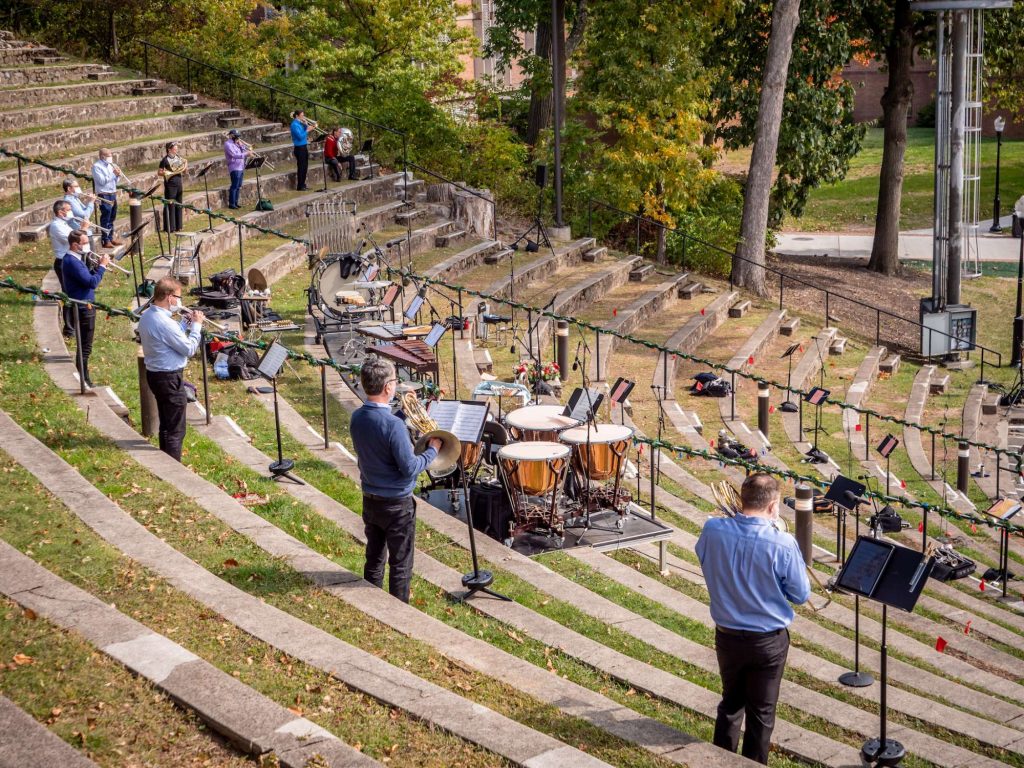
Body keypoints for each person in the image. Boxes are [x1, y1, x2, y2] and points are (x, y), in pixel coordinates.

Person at [695, 473, 810, 765]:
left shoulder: (712, 530)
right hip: (767, 642)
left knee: (730, 703)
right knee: (761, 713)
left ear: (742, 499)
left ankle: (720, 760)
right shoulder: (783, 543)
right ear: (773, 506)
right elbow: (799, 593)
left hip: (727, 635)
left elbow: (705, 557)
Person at [349, 355, 441, 603]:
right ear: (388, 387)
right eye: (394, 382)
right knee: (401, 562)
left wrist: (401, 413)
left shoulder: (357, 417)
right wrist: (433, 448)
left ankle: (372, 603)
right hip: (397, 506)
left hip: (371, 500)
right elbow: (410, 468)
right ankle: (400, 611)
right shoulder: (393, 426)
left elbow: (381, 432)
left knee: (375, 556)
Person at [137, 277, 205, 461]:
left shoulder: (148, 316)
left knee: (166, 424)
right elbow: (189, 349)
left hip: (156, 375)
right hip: (169, 378)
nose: (179, 301)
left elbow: (167, 339)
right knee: (176, 428)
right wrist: (197, 326)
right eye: (178, 297)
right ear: (169, 297)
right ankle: (174, 466)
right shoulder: (165, 323)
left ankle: (165, 460)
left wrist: (184, 325)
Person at [61, 229, 110, 388]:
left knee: (85, 345)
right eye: (84, 243)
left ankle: (84, 377)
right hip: (83, 306)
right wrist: (102, 267)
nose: (87, 245)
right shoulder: (72, 261)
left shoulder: (76, 259)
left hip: (84, 303)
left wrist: (96, 268)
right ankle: (84, 379)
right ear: (75, 245)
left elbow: (86, 278)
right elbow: (92, 283)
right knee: (85, 346)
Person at [48, 199, 85, 337]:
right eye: (68, 209)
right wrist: (84, 229)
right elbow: (73, 241)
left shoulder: (65, 224)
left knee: (75, 293)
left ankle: (76, 325)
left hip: (71, 260)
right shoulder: (56, 226)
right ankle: (69, 329)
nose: (71, 212)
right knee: (68, 295)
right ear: (60, 212)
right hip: (63, 262)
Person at [91, 148, 123, 248]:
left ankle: (110, 237)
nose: (110, 157)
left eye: (111, 155)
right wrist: (113, 174)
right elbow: (102, 181)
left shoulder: (111, 165)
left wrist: (117, 175)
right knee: (106, 217)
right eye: (108, 155)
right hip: (103, 194)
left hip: (112, 193)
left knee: (112, 217)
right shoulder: (96, 167)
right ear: (102, 156)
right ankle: (105, 240)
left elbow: (115, 181)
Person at [158, 140, 186, 233]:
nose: (176, 150)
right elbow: (159, 172)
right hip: (170, 185)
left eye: (176, 149)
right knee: (171, 205)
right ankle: (171, 227)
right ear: (169, 150)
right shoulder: (165, 160)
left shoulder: (178, 158)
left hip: (179, 183)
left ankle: (179, 226)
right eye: (175, 149)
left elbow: (182, 170)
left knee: (179, 204)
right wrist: (167, 173)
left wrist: (185, 168)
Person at [224, 129, 251, 209]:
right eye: (237, 137)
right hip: (234, 167)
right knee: (234, 185)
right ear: (232, 136)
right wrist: (247, 154)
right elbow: (234, 155)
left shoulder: (237, 143)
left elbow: (242, 151)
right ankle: (231, 204)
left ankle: (236, 202)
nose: (238, 139)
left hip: (241, 167)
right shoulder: (228, 144)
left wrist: (241, 146)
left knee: (239, 186)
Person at [290, 109, 309, 190]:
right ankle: (300, 186)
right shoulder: (294, 124)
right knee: (301, 167)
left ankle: (303, 184)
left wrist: (305, 125)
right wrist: (307, 130)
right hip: (299, 148)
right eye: (302, 115)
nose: (303, 117)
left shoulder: (300, 123)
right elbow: (300, 136)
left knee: (305, 166)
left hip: (304, 146)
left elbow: (304, 132)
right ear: (297, 116)